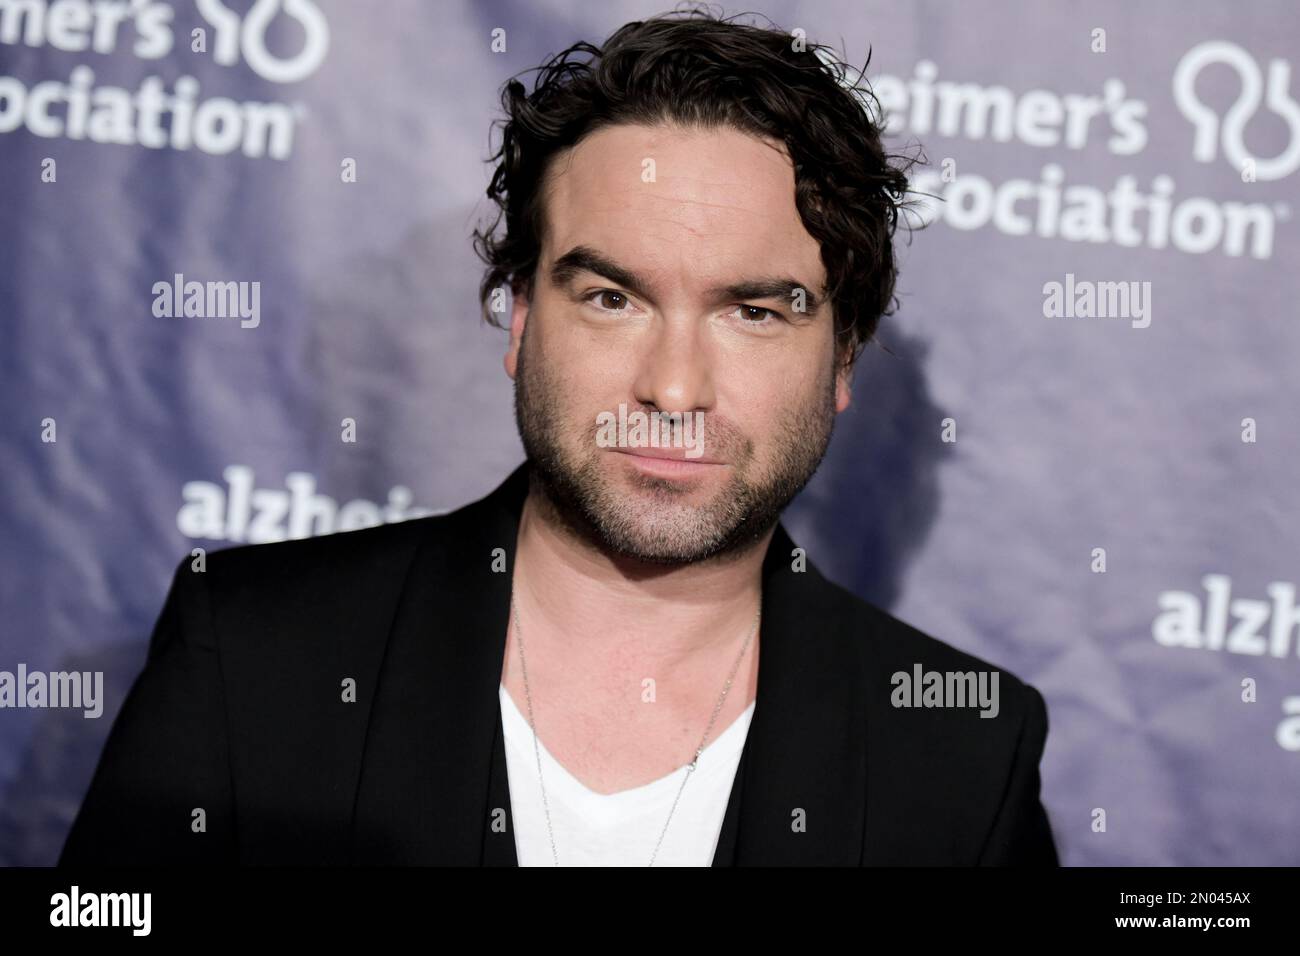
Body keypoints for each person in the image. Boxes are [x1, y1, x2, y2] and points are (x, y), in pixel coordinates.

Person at [61, 10, 1058, 866]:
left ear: (842, 356)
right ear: (522, 320)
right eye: (612, 296)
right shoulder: (252, 656)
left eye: (753, 310)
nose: (672, 385)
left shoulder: (962, 754)